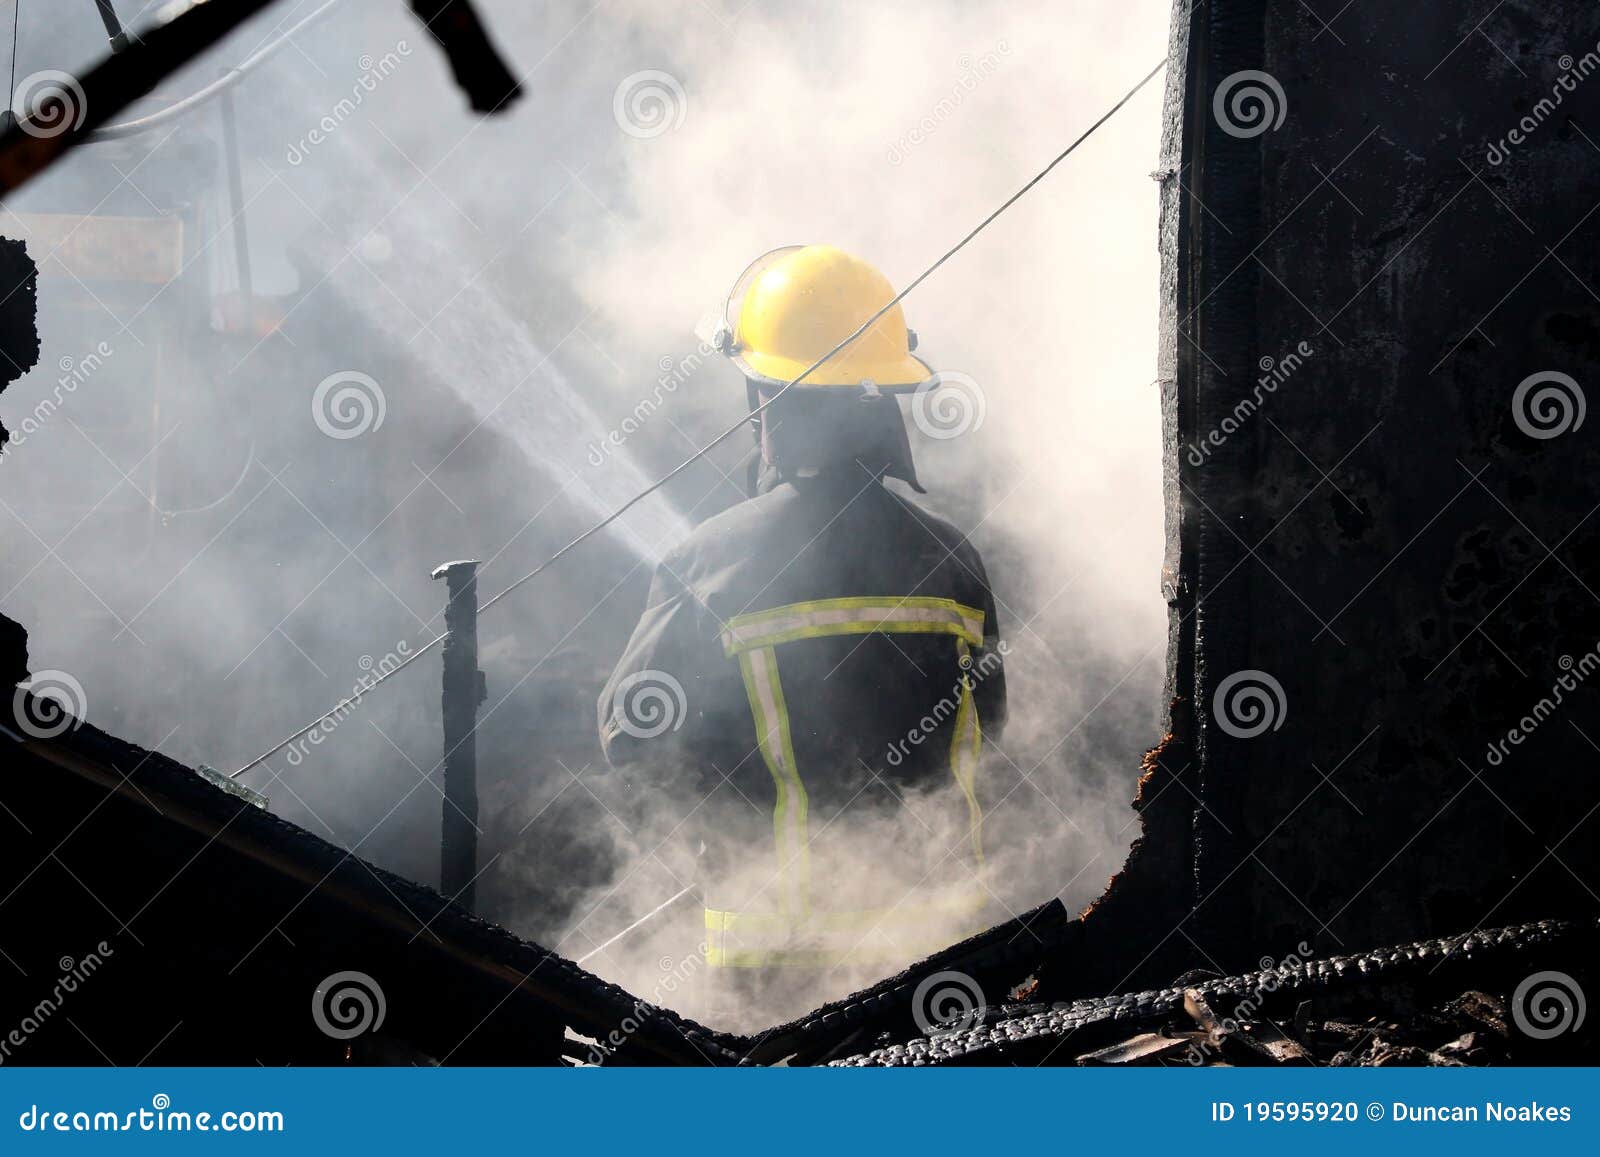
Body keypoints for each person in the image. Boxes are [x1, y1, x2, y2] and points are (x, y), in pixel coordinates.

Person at [598, 244, 1006, 984]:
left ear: (764, 402)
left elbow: (633, 739)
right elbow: (993, 725)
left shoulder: (707, 566)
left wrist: (722, 796)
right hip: (946, 953)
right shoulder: (954, 561)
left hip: (776, 971)